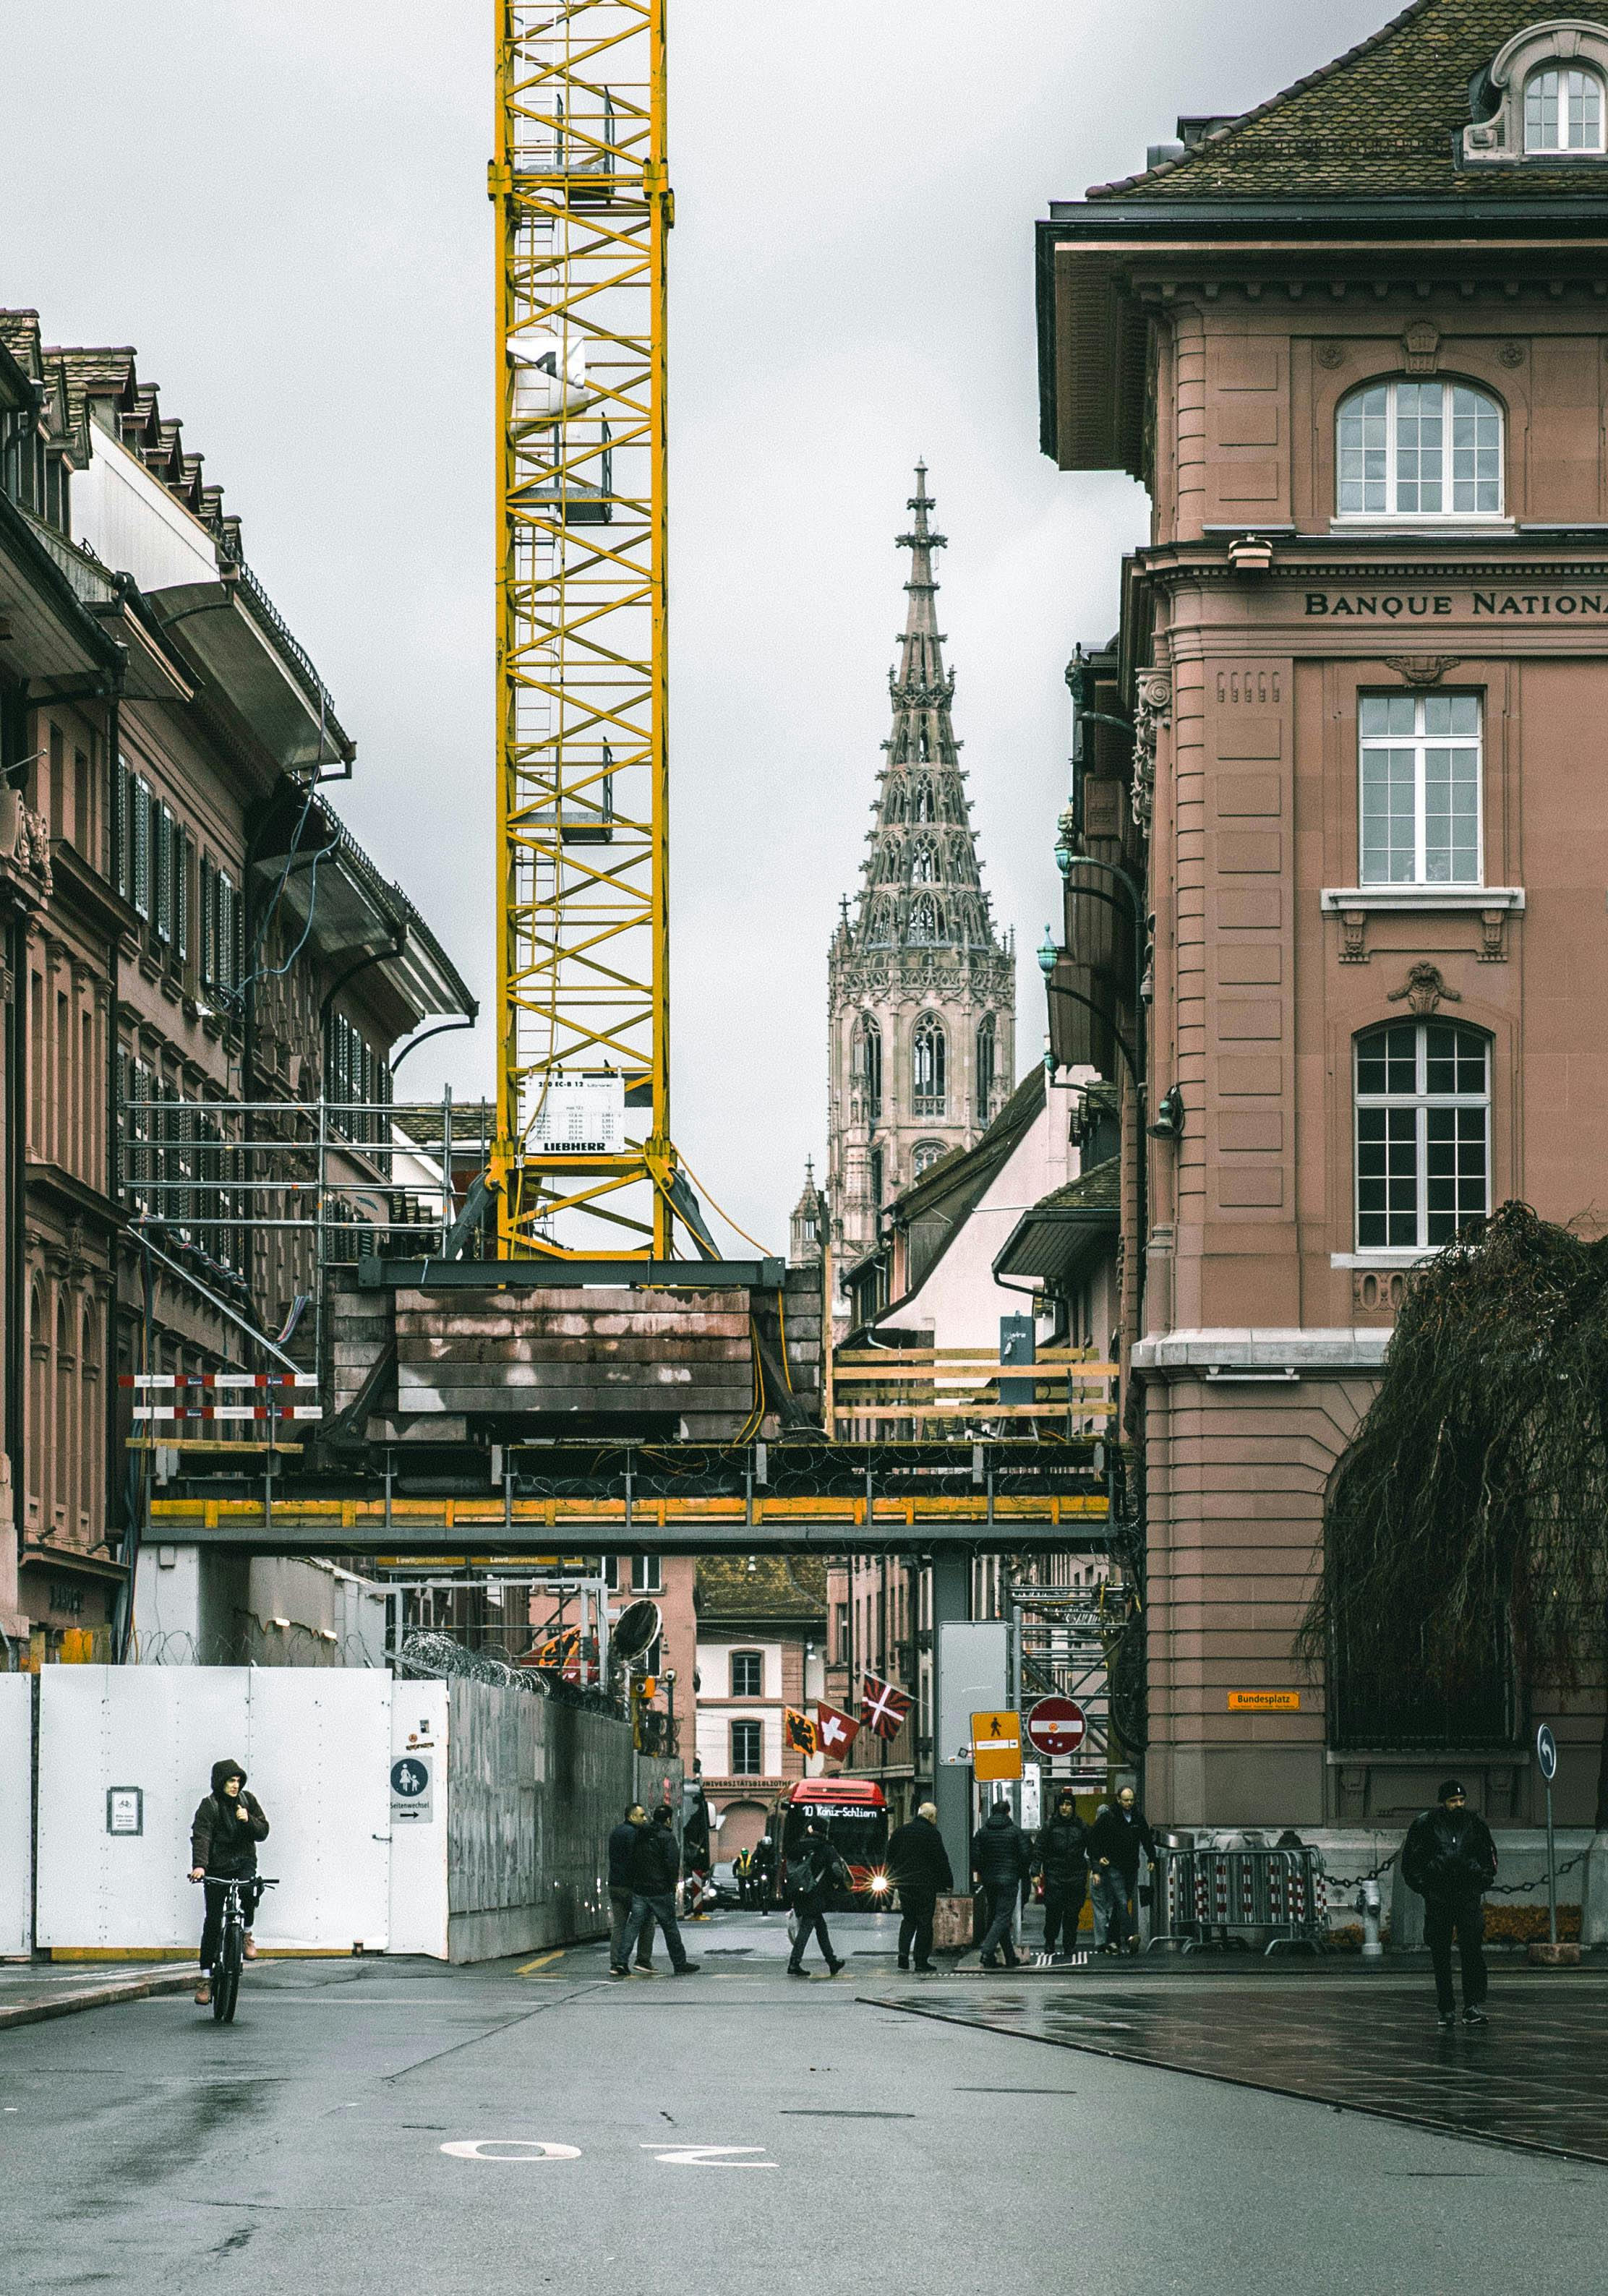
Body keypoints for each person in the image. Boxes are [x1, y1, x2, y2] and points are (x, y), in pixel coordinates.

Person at [1400, 1778, 1498, 2028]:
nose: (1458, 1804)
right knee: (1441, 1955)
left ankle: (1471, 2006)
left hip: (1467, 1896)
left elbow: (1489, 1856)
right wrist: (1425, 1887)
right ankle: (1446, 2009)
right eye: (1453, 1801)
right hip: (1440, 1897)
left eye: (1461, 1800)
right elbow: (1412, 1860)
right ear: (1443, 1802)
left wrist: (1481, 1879)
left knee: (1472, 1952)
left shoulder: (1474, 1824)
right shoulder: (1427, 1824)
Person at [188, 1758, 270, 2007]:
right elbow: (201, 1836)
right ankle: (205, 1979)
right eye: (230, 1781)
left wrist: (249, 1821)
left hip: (244, 1860)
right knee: (213, 1921)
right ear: (220, 1782)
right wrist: (200, 1866)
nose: (235, 1786)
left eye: (238, 1781)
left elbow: (263, 1831)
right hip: (217, 1866)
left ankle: (246, 1935)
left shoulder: (248, 1801)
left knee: (248, 1892)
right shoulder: (209, 1806)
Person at [615, 1802, 699, 1977]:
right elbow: (672, 1864)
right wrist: (671, 1884)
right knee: (670, 1928)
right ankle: (680, 1963)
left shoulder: (640, 1834)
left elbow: (632, 1860)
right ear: (668, 1820)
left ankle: (621, 1962)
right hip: (660, 1890)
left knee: (632, 1927)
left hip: (640, 1890)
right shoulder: (667, 1837)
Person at [887, 1799, 954, 1974]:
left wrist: (895, 1877)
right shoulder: (932, 1834)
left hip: (905, 1884)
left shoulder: (900, 1831)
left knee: (908, 1919)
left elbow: (890, 1857)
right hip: (926, 1885)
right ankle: (920, 1961)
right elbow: (941, 1860)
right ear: (931, 1817)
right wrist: (948, 1883)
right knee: (924, 1922)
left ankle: (903, 1955)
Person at [1089, 1785, 1156, 1953]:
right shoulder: (1108, 1817)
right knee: (1121, 1901)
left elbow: (1146, 1837)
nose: (1129, 1803)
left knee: (1122, 1904)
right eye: (1126, 1800)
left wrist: (1152, 1858)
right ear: (1118, 1800)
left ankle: (1112, 1942)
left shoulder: (1137, 1817)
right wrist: (1099, 1858)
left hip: (1131, 1866)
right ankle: (1129, 1936)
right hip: (1114, 1866)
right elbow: (1093, 1839)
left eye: (1132, 1800)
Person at [970, 1797, 1032, 1969]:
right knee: (1003, 1917)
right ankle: (987, 1952)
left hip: (990, 1881)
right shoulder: (1016, 1832)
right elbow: (1027, 1856)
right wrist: (1018, 1871)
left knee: (997, 1917)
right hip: (1009, 1880)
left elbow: (975, 1857)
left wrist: (985, 1872)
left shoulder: (982, 1833)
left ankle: (1010, 1957)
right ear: (1007, 1812)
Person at [786, 1817, 848, 1978]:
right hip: (816, 1893)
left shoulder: (799, 1846)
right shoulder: (826, 1848)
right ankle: (795, 1962)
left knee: (821, 1927)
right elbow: (836, 1872)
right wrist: (839, 1883)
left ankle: (832, 1961)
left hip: (799, 1892)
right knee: (807, 1926)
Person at [1035, 1788, 1091, 1959]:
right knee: (1053, 1912)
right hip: (1055, 1875)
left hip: (1075, 1875)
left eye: (1068, 1805)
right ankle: (1050, 1942)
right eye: (1062, 1805)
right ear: (1058, 1807)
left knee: (1073, 1914)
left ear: (1073, 1807)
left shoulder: (1081, 1826)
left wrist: (1096, 1869)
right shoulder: (1050, 1826)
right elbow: (1039, 1850)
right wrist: (1035, 1872)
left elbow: (1093, 1849)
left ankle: (1069, 1944)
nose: (1065, 1808)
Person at [607, 1802, 656, 1972]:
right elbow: (638, 1861)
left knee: (619, 1925)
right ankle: (642, 1960)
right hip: (632, 1887)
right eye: (641, 1816)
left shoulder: (616, 1832)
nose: (645, 1819)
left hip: (615, 1884)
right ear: (631, 1816)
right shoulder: (635, 1834)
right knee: (647, 1921)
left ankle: (616, 1963)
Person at [751, 1832, 777, 1913]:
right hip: (760, 1869)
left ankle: (770, 1893)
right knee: (758, 1883)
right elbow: (754, 1857)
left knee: (772, 1880)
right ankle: (758, 1896)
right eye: (765, 1846)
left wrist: (775, 1865)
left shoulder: (773, 1850)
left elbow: (776, 1858)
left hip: (769, 1869)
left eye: (768, 1845)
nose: (767, 1847)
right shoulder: (759, 1850)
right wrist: (753, 1864)